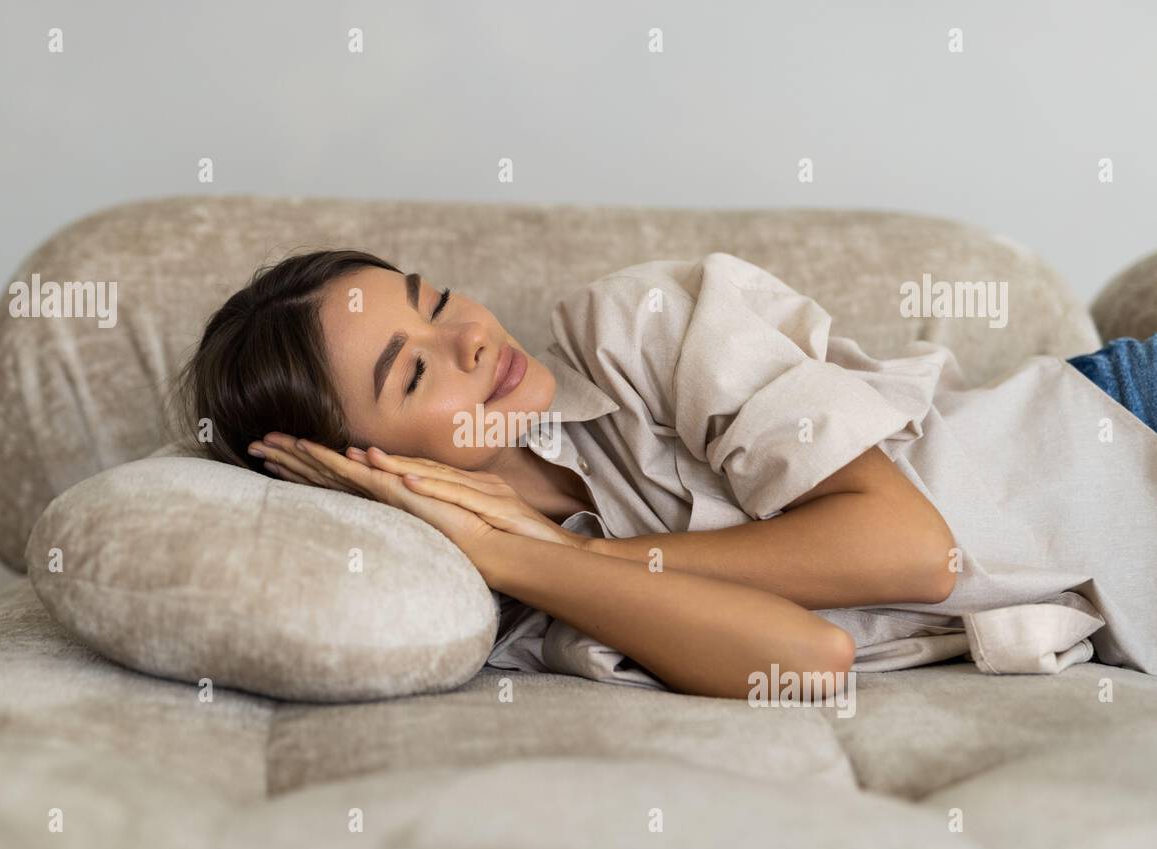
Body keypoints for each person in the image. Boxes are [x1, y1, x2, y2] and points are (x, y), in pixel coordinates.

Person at [171, 248, 1157, 697]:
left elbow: (914, 554)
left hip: (1122, 423)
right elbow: (810, 662)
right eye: (416, 370)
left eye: (433, 300)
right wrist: (540, 564)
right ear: (369, 472)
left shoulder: (641, 328)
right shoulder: (519, 613)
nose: (470, 335)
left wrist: (565, 553)